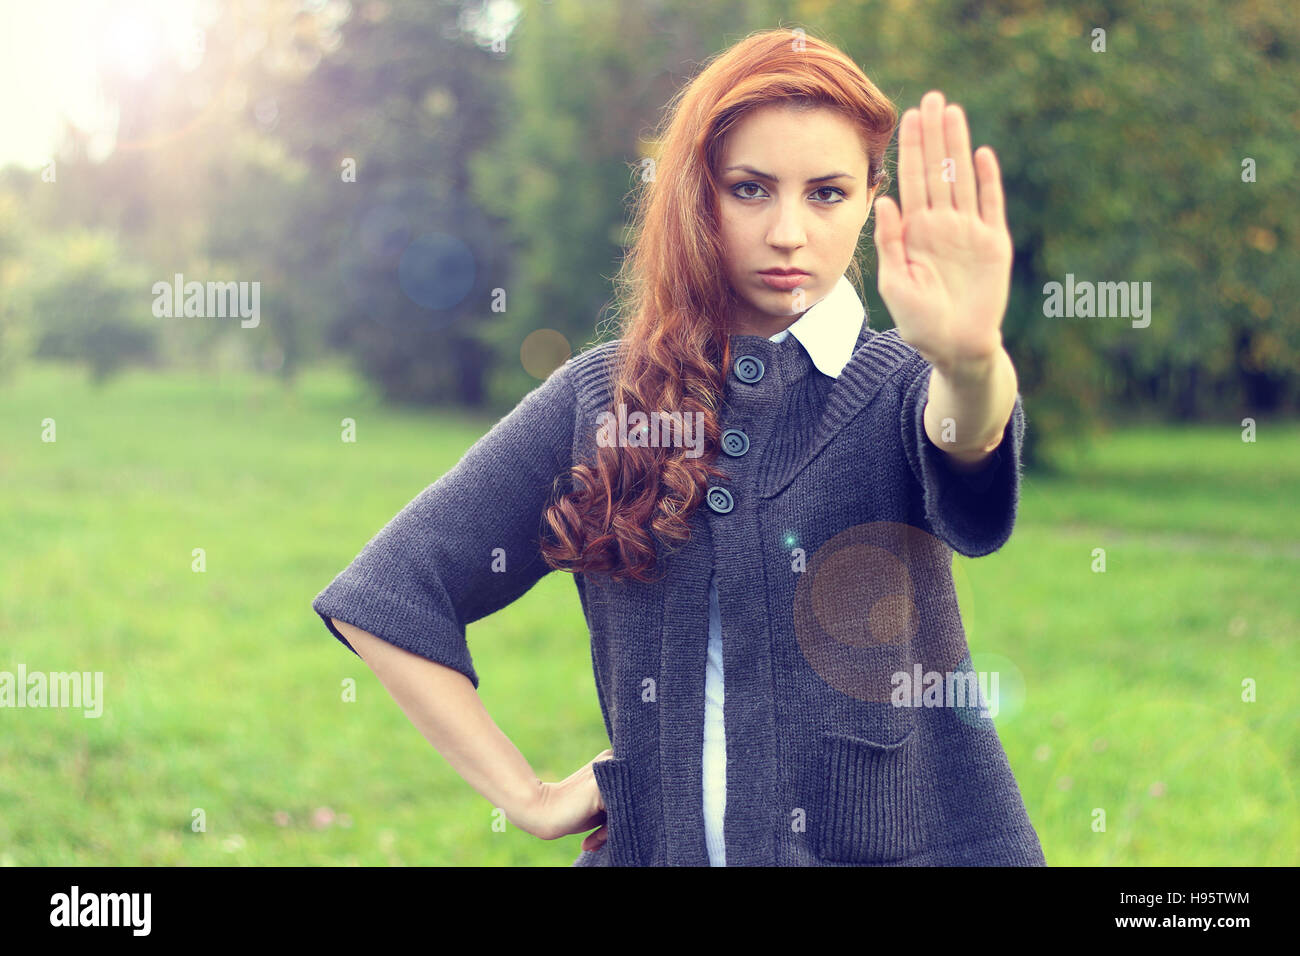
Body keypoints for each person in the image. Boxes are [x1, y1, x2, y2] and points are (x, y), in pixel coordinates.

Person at [312, 27, 1046, 866]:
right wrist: (530, 797)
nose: (788, 233)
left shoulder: (904, 385)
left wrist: (972, 359)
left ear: (873, 197)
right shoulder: (600, 396)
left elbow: (965, 432)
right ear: (698, 194)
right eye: (750, 189)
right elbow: (390, 591)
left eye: (828, 194)